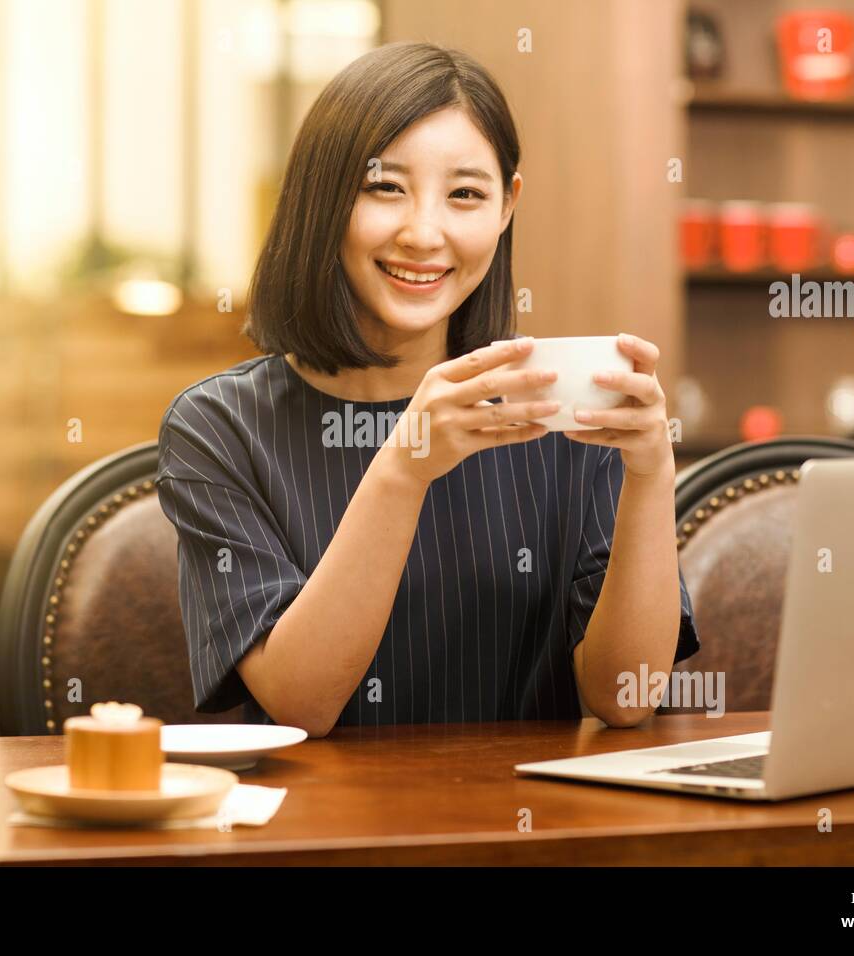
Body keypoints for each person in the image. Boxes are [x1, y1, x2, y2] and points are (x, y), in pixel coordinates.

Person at [157, 41, 698, 737]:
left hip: (529, 833)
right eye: (385, 187)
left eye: (466, 194)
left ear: (507, 208)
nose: (423, 232)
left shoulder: (562, 407)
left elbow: (625, 698)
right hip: (323, 839)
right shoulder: (220, 429)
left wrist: (650, 476)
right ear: (323, 196)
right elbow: (301, 704)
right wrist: (404, 467)